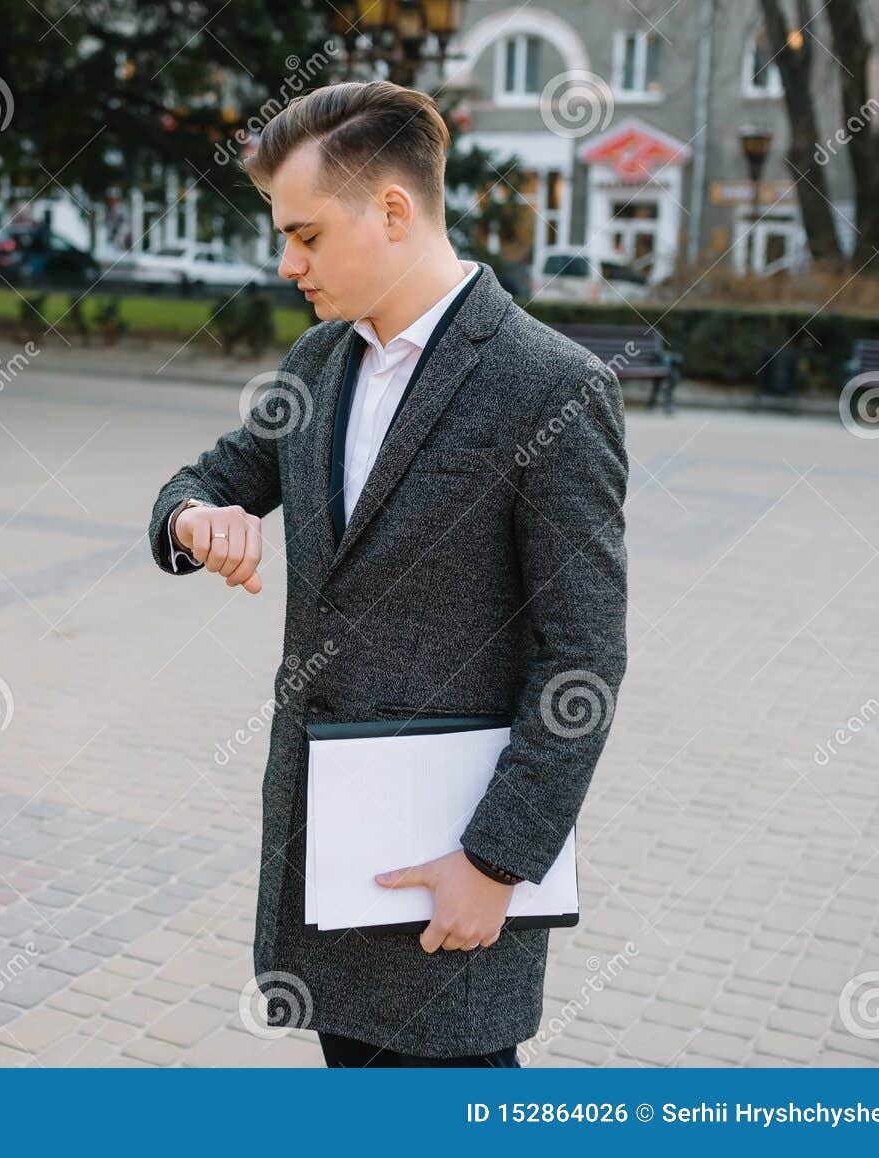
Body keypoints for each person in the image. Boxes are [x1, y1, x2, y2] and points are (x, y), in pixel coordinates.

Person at [147, 81, 629, 1068]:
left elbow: (582, 656)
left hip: (454, 864)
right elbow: (203, 481)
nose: (288, 264)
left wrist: (496, 862)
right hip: (333, 857)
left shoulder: (551, 386)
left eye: (307, 235)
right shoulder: (317, 363)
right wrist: (196, 518)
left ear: (394, 212)